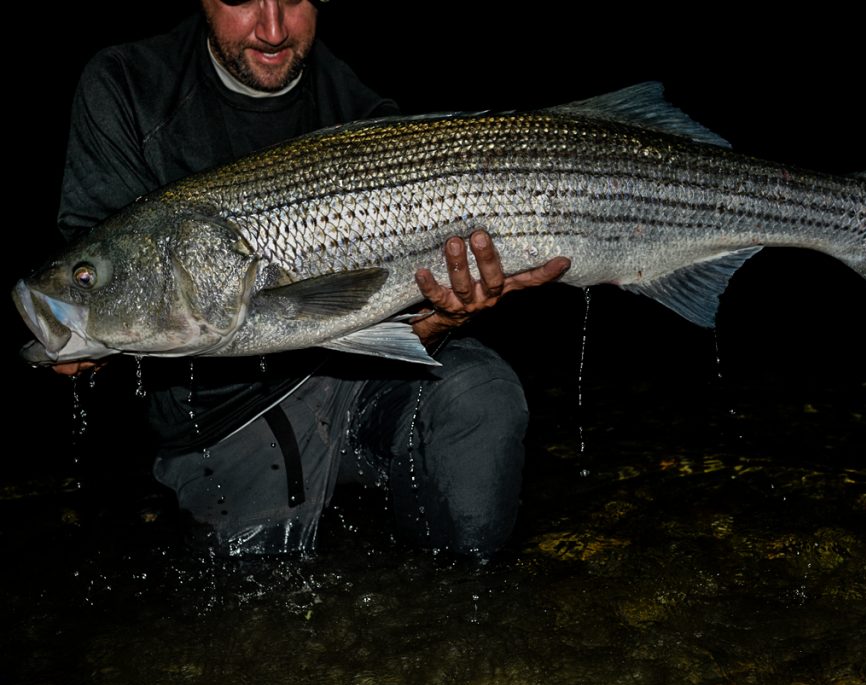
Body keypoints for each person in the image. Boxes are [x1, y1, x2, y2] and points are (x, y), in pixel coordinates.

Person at [57, 0, 569, 557]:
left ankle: (468, 611)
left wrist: (444, 316)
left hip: (355, 379)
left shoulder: (358, 107)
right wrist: (88, 319)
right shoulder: (128, 84)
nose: (274, 29)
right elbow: (103, 255)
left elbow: (390, 322)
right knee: (260, 625)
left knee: (480, 395)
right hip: (223, 420)